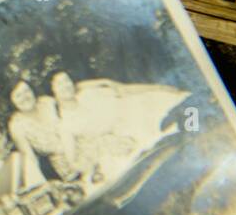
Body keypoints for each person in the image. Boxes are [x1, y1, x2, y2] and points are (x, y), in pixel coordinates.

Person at [51, 71, 189, 185]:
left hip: (139, 107)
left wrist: (157, 88)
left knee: (182, 103)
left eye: (67, 80)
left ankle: (185, 122)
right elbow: (74, 163)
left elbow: (124, 90)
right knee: (167, 135)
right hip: (126, 132)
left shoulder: (88, 93)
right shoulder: (66, 126)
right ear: (53, 92)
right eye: (59, 84)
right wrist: (98, 149)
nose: (65, 86)